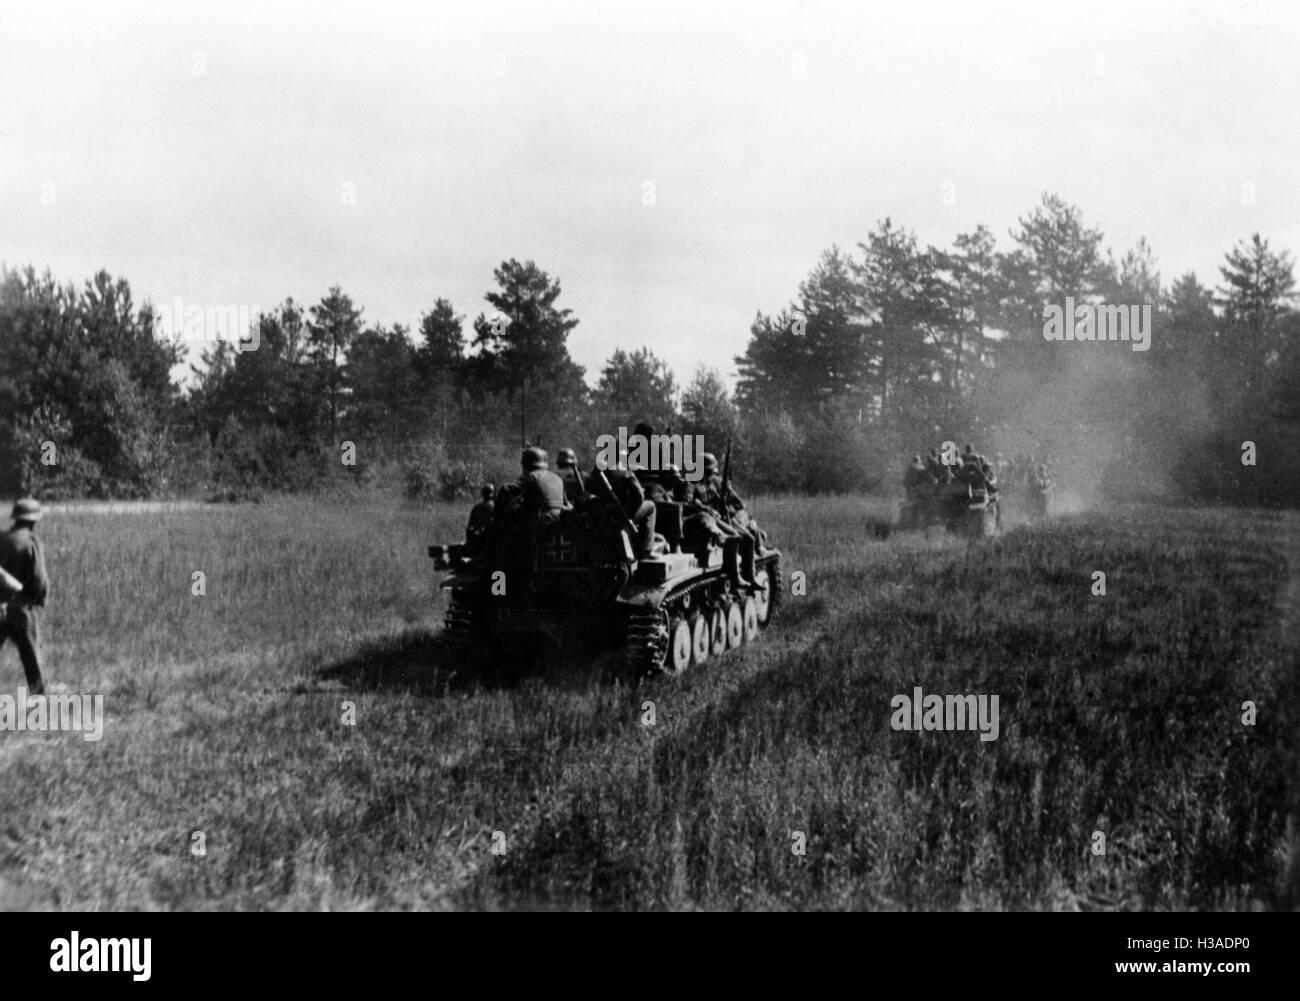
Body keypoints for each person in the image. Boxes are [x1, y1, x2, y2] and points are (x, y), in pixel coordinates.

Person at [0, 498, 49, 696]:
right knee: (31, 656)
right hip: (20, 609)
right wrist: (40, 598)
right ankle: (39, 698)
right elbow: (39, 578)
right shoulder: (31, 542)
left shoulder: (1, 537)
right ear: (34, 520)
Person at [593, 448, 657, 558]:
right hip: (622, 514)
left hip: (605, 514)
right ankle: (646, 549)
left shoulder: (601, 471)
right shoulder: (625, 472)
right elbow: (639, 496)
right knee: (651, 506)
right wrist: (630, 513)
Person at [517, 447, 567, 522]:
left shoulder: (530, 477)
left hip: (540, 521)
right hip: (558, 521)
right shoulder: (557, 478)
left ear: (526, 464)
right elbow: (565, 502)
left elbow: (520, 500)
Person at [465, 484, 495, 554]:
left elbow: (470, 525)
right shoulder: (493, 508)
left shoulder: (477, 507)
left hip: (478, 538)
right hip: (486, 539)